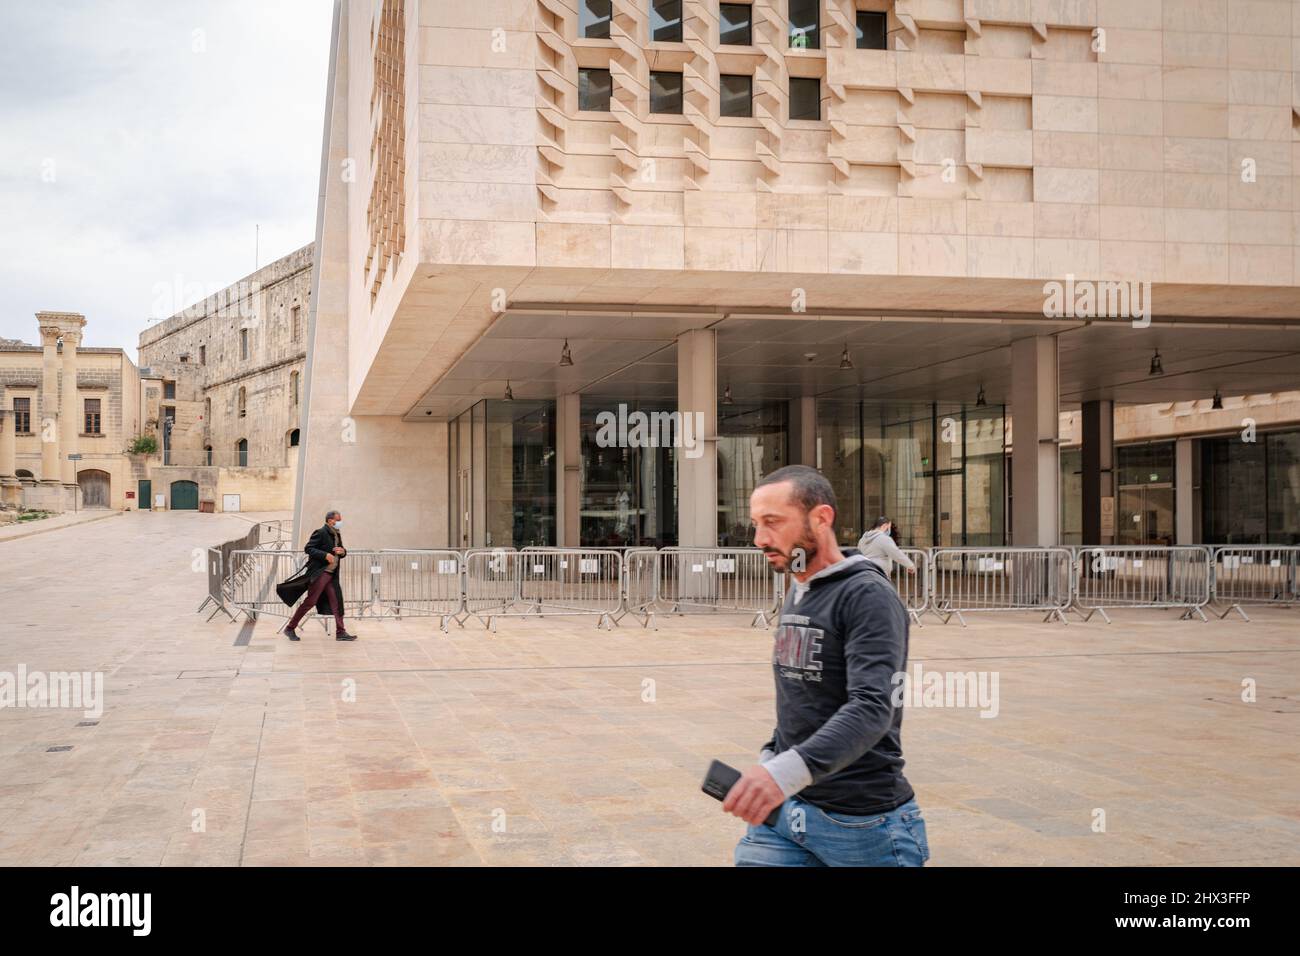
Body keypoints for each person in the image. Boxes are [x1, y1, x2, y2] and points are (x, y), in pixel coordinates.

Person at [725, 465, 927, 866]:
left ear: (821, 518)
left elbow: (872, 706)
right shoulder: (800, 589)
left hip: (862, 826)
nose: (759, 539)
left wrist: (780, 774)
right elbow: (805, 698)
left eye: (773, 523)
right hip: (782, 818)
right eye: (755, 524)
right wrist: (771, 759)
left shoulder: (866, 595)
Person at [276, 510, 358, 641]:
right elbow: (309, 548)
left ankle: (341, 632)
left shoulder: (336, 534)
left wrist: (343, 552)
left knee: (337, 602)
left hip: (332, 575)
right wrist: (325, 555)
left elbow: (341, 550)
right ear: (330, 520)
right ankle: (290, 628)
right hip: (320, 573)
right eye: (338, 520)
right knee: (310, 601)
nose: (340, 522)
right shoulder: (320, 532)